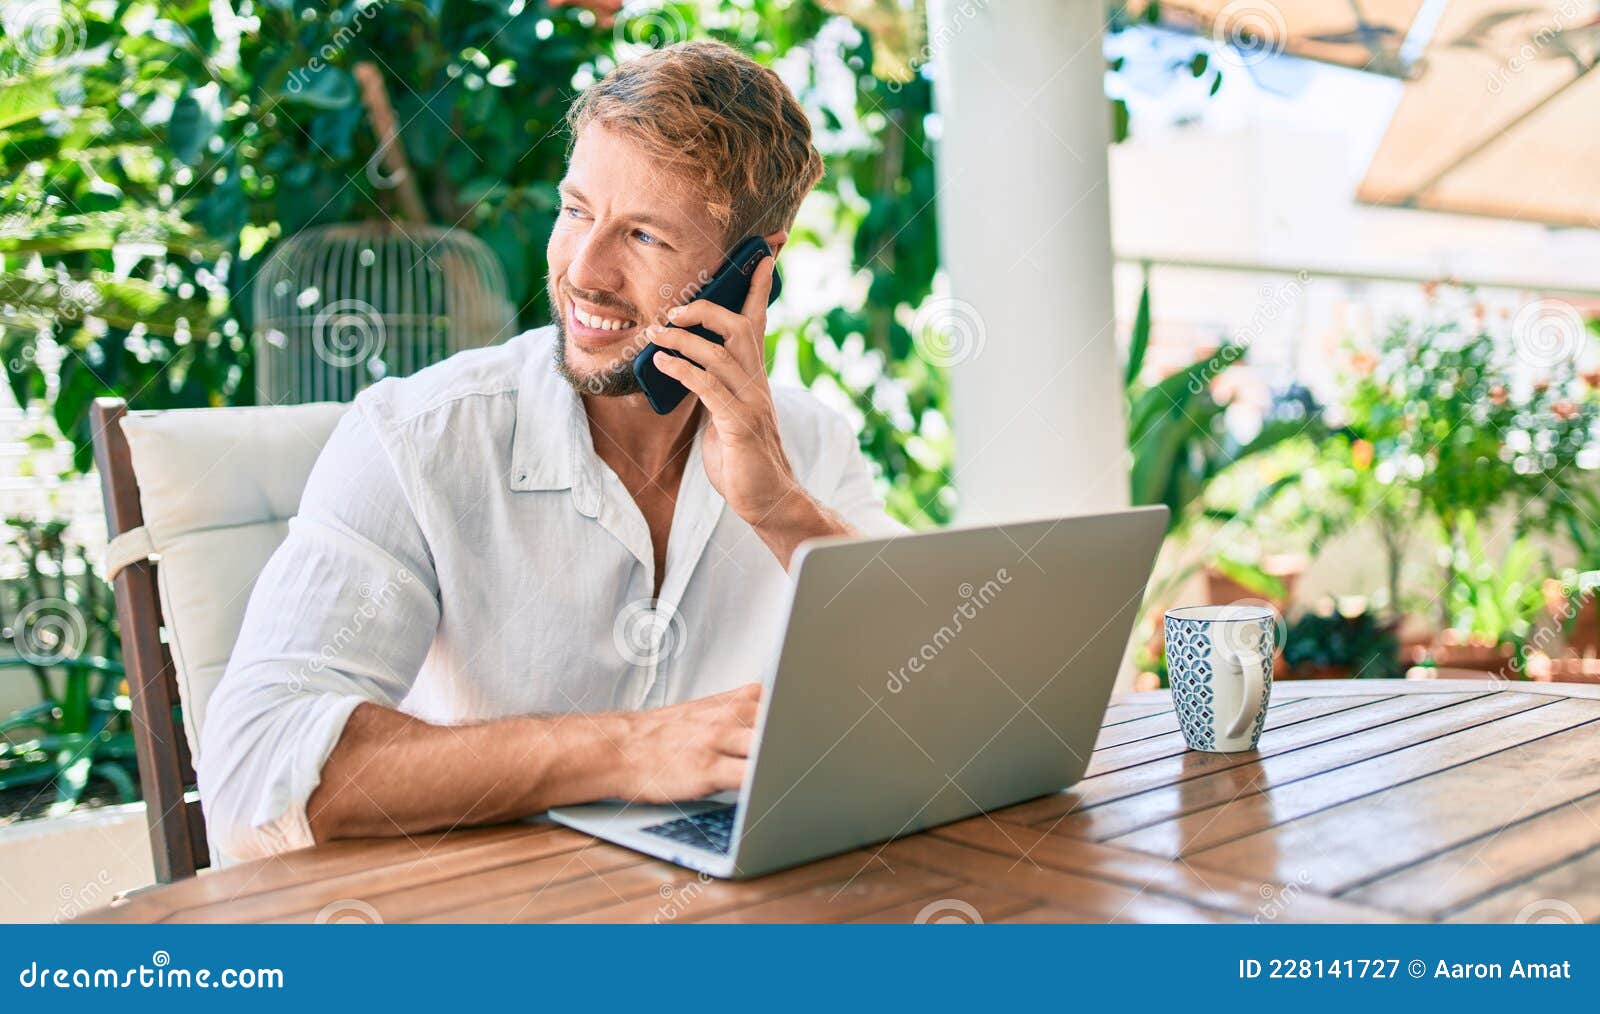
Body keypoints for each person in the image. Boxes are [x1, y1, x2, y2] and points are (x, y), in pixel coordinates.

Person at [198, 40, 900, 862]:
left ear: (751, 270)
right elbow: (253, 769)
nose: (584, 272)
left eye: (644, 235)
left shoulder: (806, 443)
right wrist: (631, 749)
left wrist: (782, 509)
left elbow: (942, 698)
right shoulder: (414, 440)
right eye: (577, 212)